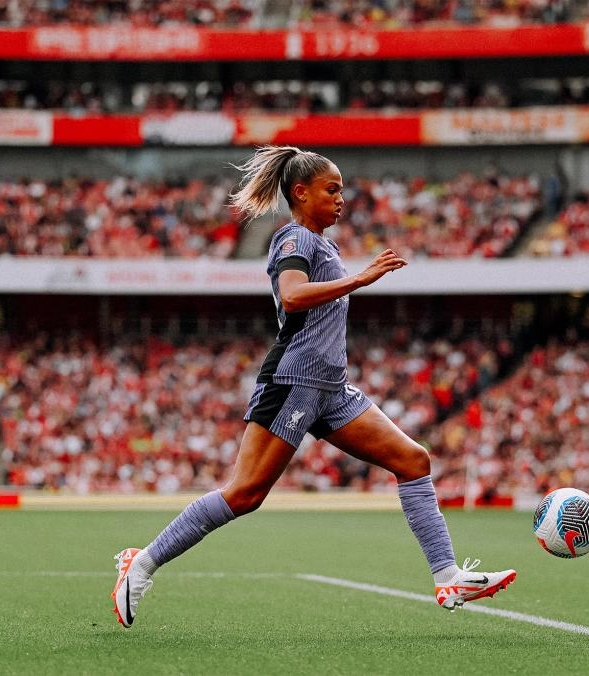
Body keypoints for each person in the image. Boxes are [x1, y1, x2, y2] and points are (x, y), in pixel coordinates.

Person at [111, 145, 516, 628]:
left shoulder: (325, 245)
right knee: (244, 494)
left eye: (342, 190)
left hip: (332, 390)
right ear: (301, 193)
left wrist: (354, 277)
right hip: (293, 383)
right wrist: (360, 279)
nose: (341, 199)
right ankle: (142, 563)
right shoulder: (293, 238)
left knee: (413, 461)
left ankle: (448, 576)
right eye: (332, 190)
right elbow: (292, 296)